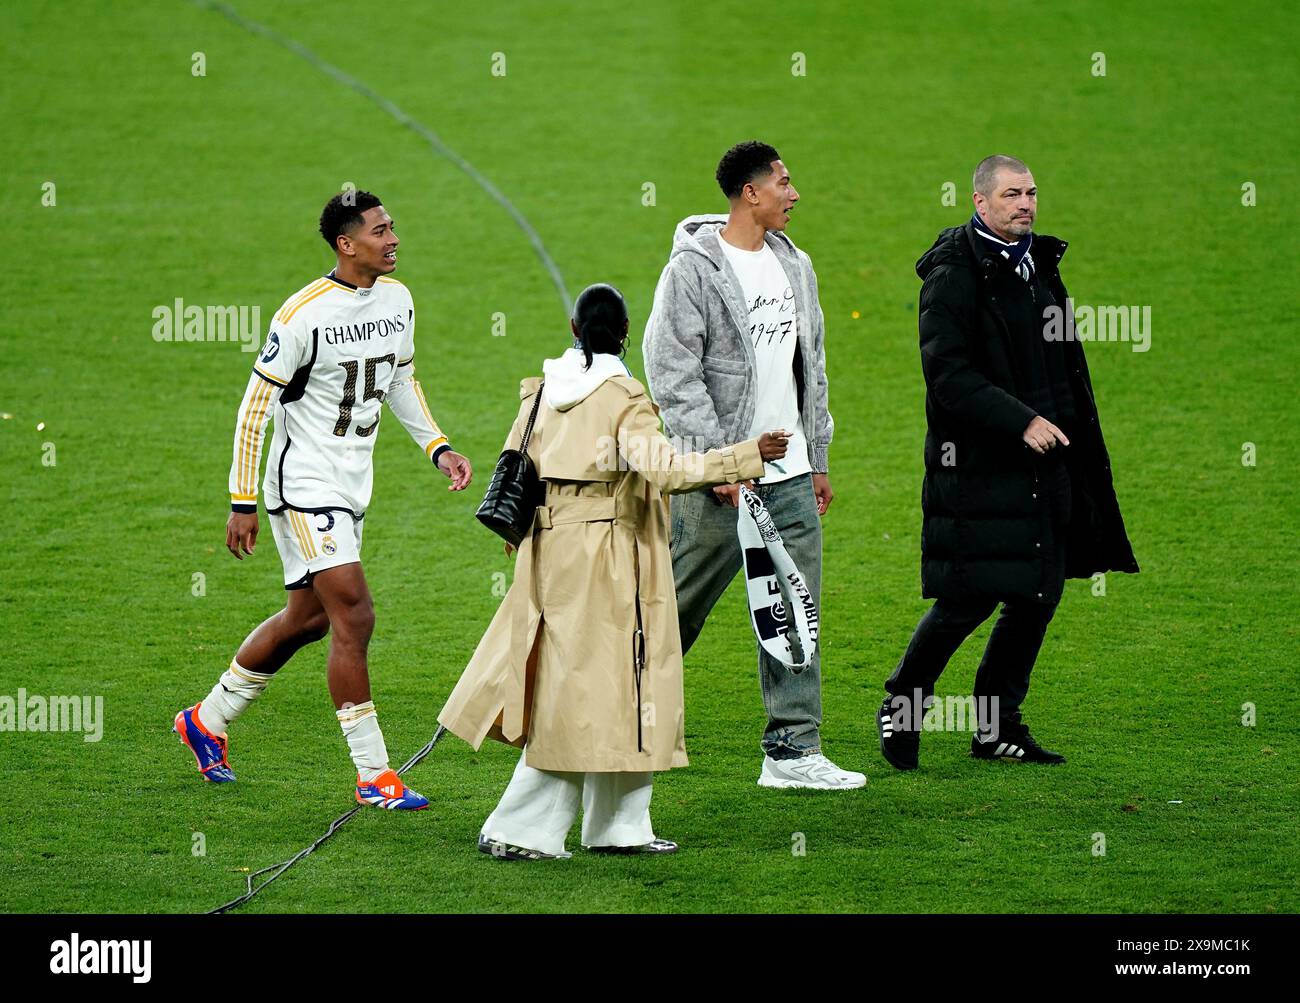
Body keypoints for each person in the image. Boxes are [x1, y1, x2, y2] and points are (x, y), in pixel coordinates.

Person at [438, 284, 789, 859]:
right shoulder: (624, 396)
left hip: (551, 548)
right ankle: (518, 829)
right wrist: (746, 455)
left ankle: (620, 827)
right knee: (590, 691)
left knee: (613, 686)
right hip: (606, 555)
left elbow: (517, 468)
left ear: (574, 330)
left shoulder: (543, 389)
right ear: (625, 333)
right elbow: (666, 471)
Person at [173, 190, 473, 810]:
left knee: (307, 620)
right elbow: (255, 408)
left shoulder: (398, 299)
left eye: (393, 227)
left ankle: (206, 720)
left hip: (351, 484)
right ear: (346, 243)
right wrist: (242, 500)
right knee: (355, 615)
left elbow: (400, 379)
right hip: (304, 484)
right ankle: (374, 774)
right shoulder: (302, 314)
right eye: (380, 230)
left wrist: (438, 447)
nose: (393, 239)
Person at [876, 155, 1138, 770]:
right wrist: (1020, 420)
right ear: (979, 201)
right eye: (1012, 194)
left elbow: (1062, 364)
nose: (1026, 203)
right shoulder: (954, 275)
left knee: (1038, 591)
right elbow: (948, 376)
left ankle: (997, 726)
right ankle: (903, 703)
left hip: (1049, 459)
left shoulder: (1038, 266)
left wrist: (1075, 437)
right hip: (978, 465)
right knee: (970, 594)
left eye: (1031, 193)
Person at [643, 140, 863, 790]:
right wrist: (723, 463)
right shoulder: (693, 271)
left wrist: (816, 453)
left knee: (794, 609)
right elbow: (672, 373)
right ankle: (603, 708)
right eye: (784, 182)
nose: (794, 194)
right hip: (714, 482)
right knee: (669, 611)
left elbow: (811, 367)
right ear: (751, 193)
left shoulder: (794, 264)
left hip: (789, 472)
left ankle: (792, 752)